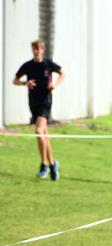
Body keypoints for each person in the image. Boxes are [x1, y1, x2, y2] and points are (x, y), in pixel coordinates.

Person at [12, 39, 66, 180]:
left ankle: (44, 165)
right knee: (44, 135)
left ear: (42, 50)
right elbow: (14, 81)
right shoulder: (28, 66)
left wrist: (55, 84)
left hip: (45, 102)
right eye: (34, 49)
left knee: (38, 131)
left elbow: (63, 74)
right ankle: (53, 163)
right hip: (33, 102)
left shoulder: (48, 64)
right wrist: (25, 83)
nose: (36, 51)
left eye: (38, 49)